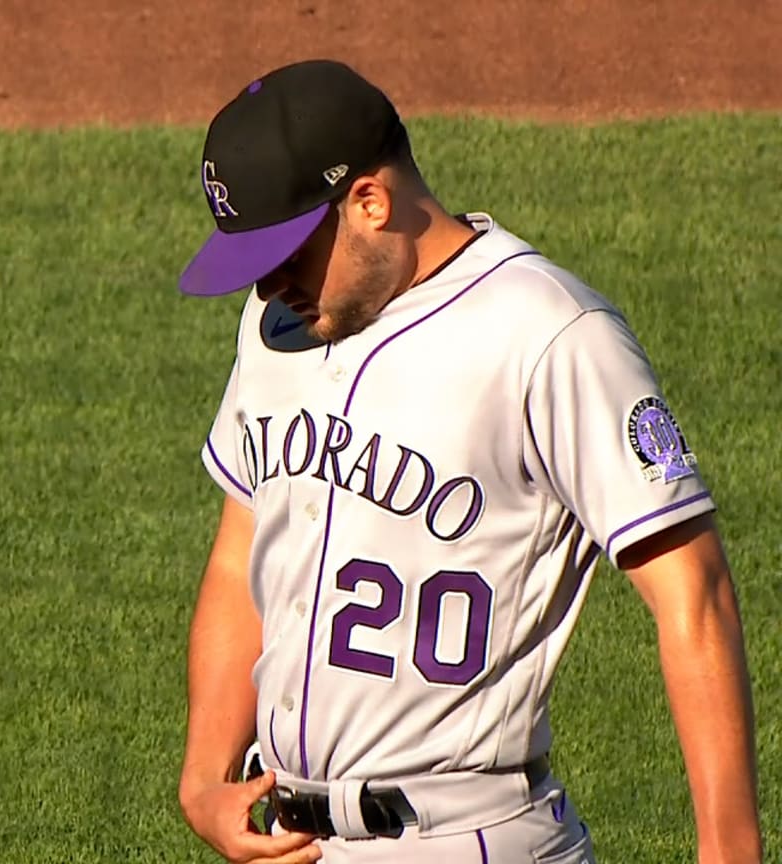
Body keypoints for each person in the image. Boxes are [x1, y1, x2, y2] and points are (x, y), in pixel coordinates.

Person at [172, 59, 761, 864]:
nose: (272, 288)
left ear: (370, 202)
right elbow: (246, 550)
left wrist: (728, 849)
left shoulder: (547, 332)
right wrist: (205, 775)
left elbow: (694, 593)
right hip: (295, 842)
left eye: (288, 257)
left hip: (465, 839)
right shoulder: (276, 327)